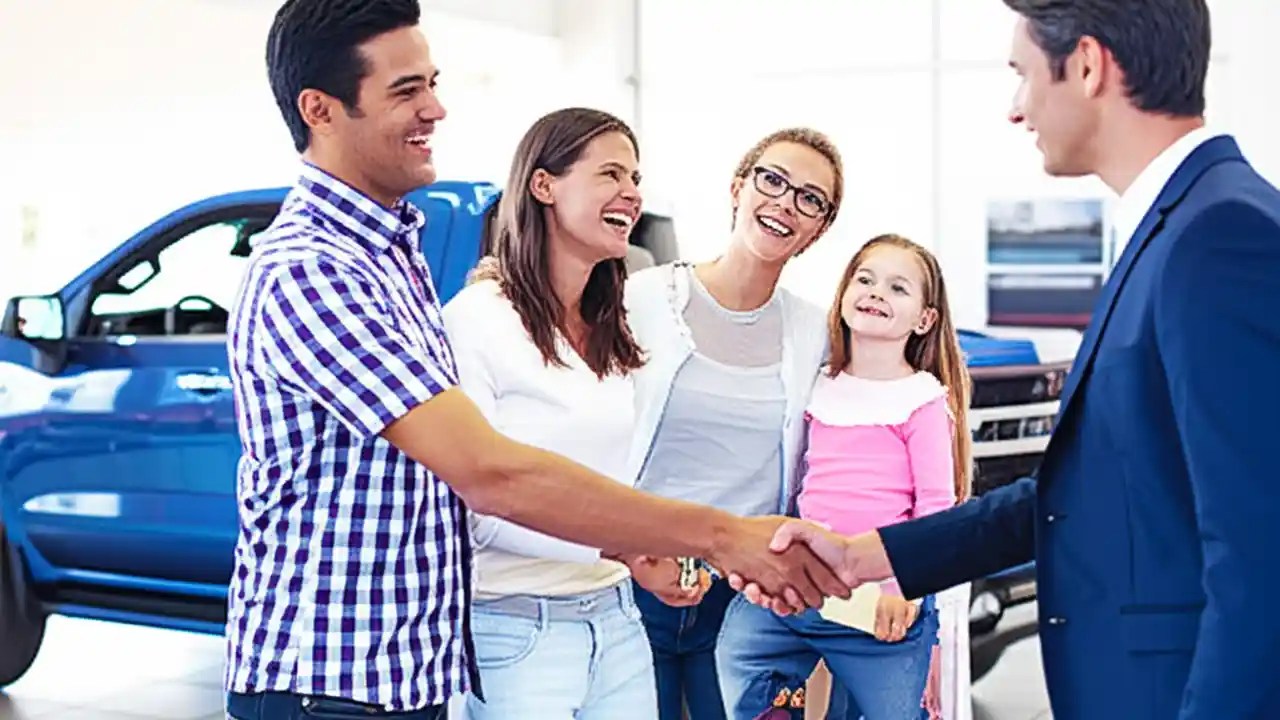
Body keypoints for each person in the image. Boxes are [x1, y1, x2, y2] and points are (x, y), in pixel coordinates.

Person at [223, 2, 849, 718]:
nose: (436, 109)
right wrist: (723, 535)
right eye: (405, 91)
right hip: (331, 680)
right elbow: (487, 474)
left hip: (409, 671)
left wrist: (628, 551)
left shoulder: (394, 255)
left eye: (432, 84)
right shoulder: (312, 269)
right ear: (320, 110)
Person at [738, 1, 1280, 718]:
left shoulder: (1220, 235)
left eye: (1023, 74)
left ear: (1086, 66)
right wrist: (864, 556)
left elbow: (1261, 554)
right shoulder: (1178, 226)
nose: (1016, 108)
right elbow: (1083, 491)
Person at [441, 107, 710, 719]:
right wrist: (623, 547)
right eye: (610, 174)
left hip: (617, 620)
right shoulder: (478, 320)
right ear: (543, 185)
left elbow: (617, 478)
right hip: (515, 628)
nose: (632, 193)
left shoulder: (613, 326)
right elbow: (472, 507)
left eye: (636, 178)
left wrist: (648, 550)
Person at [622, 128, 844, 720]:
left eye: (810, 199)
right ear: (737, 188)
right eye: (772, 181)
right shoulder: (641, 299)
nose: (785, 203)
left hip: (746, 597)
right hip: (636, 580)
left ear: (819, 228)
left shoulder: (817, 333)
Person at [716, 234, 972, 720]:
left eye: (897, 287)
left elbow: (935, 510)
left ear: (924, 320)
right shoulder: (818, 385)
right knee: (739, 645)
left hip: (884, 595)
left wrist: (905, 591)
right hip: (807, 582)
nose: (876, 292)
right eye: (865, 279)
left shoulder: (922, 400)